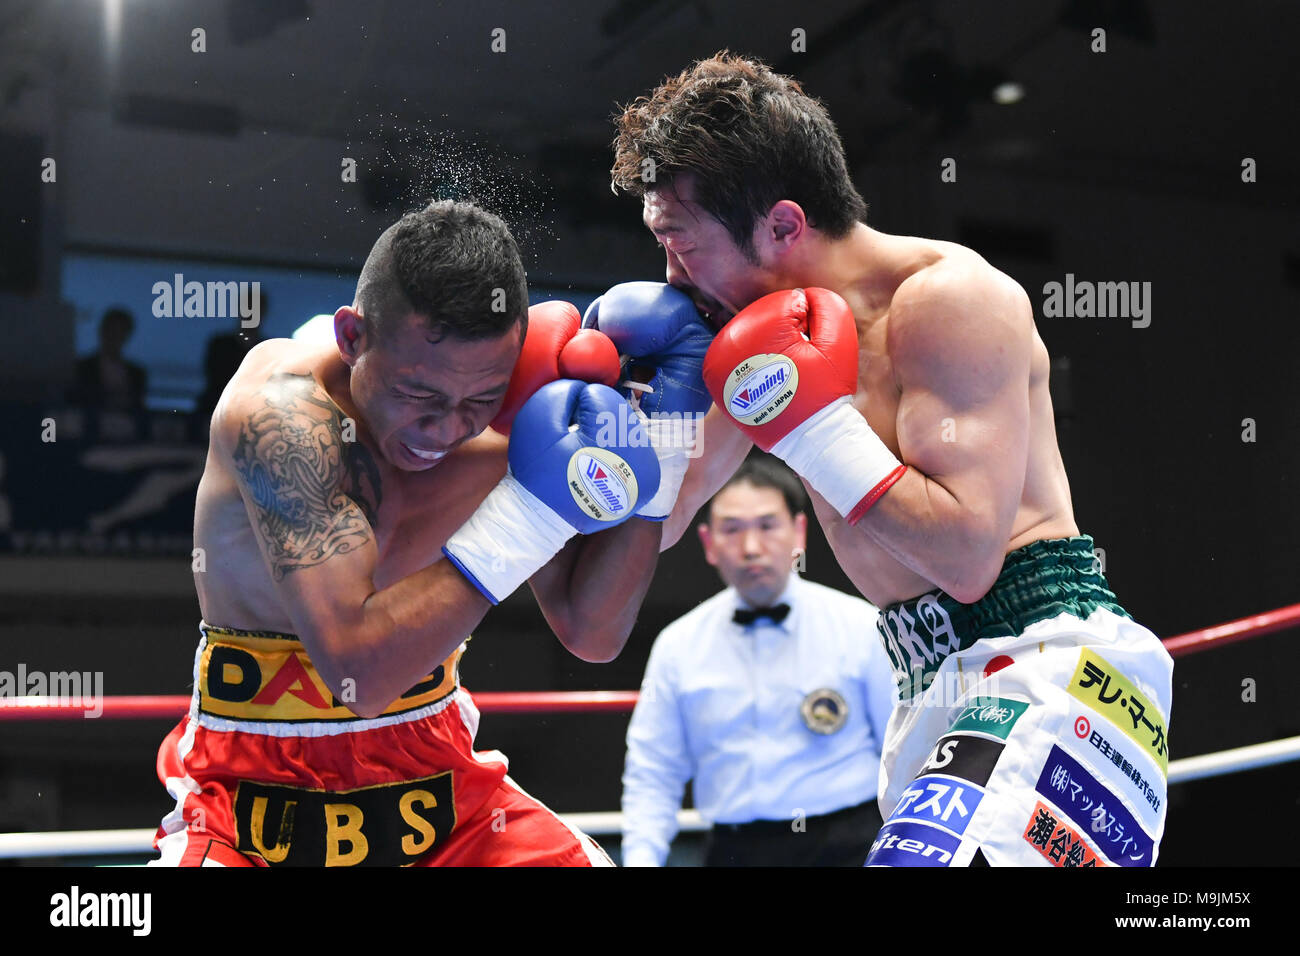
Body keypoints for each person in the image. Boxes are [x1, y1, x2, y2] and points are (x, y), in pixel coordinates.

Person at [603, 53, 1173, 867]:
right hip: (927, 683)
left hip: (1047, 663)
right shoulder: (749, 348)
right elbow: (656, 527)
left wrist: (808, 426)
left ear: (784, 225)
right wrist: (637, 421)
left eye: (681, 242)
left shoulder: (948, 302)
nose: (669, 273)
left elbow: (968, 557)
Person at [150, 199, 708, 866]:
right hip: (254, 794)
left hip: (438, 776)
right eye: (420, 397)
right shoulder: (284, 421)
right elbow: (358, 676)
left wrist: (668, 439)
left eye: (478, 400)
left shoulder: (517, 419)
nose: (447, 430)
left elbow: (593, 632)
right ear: (353, 335)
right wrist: (533, 509)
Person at [621, 454, 894, 867]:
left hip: (851, 845)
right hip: (736, 851)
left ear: (799, 532)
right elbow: (653, 772)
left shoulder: (861, 625)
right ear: (709, 544)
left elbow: (902, 753)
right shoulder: (678, 645)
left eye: (767, 526)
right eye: (732, 530)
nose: (751, 548)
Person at [69, 307, 148, 412]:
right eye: (111, 330)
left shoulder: (137, 373)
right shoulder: (82, 368)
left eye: (119, 331)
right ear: (102, 331)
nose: (114, 336)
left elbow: (139, 408)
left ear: (127, 335)